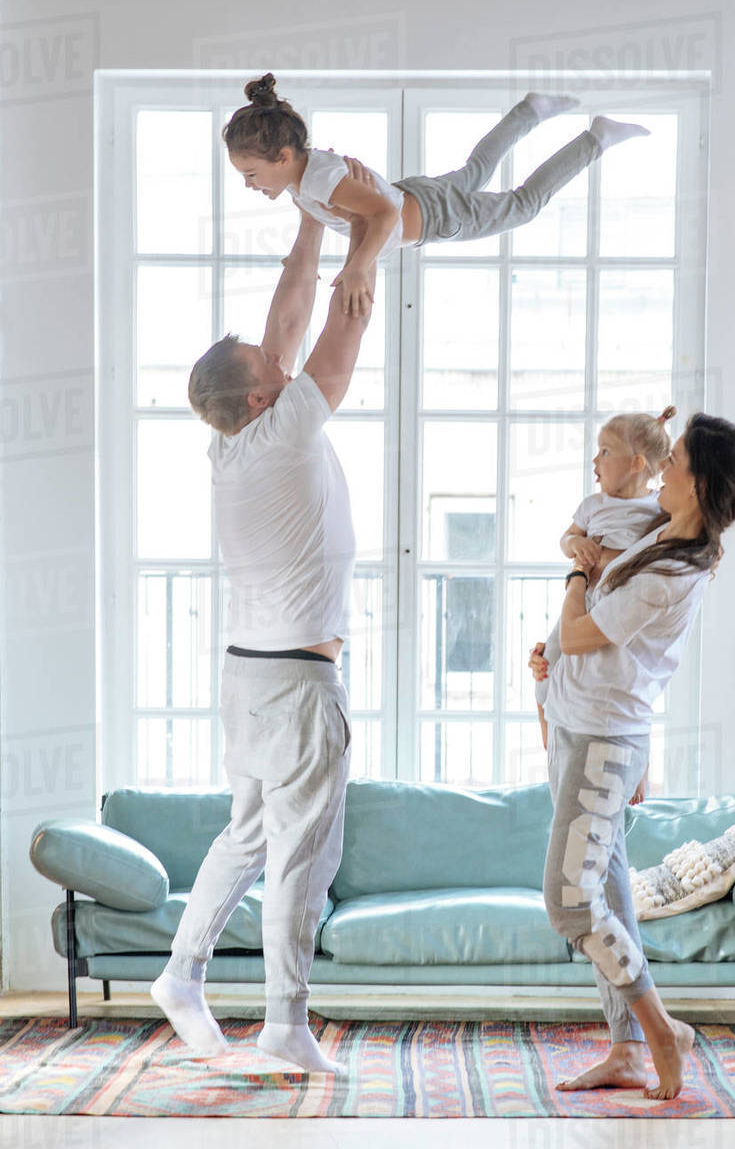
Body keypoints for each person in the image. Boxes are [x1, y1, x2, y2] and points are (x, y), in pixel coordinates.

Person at [150, 166, 378, 1076]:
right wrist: (366, 240)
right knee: (300, 857)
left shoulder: (231, 441)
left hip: (248, 676)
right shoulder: (282, 429)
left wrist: (310, 220)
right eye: (270, 370)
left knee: (245, 834)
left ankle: (181, 973)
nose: (284, 365)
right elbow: (337, 334)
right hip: (293, 684)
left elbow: (284, 324)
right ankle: (285, 1021)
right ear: (257, 399)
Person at [529, 414, 735, 1099]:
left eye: (674, 459)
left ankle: (660, 1029)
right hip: (580, 727)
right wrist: (551, 665)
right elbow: (614, 650)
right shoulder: (662, 536)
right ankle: (627, 1046)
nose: (662, 466)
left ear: (699, 482)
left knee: (569, 905)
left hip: (600, 742)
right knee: (606, 892)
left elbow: (582, 631)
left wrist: (576, 572)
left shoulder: (672, 574)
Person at [222, 72, 649, 316]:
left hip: (433, 217)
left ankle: (595, 139)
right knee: (476, 170)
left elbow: (384, 215)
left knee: (524, 205)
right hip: (419, 197)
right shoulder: (303, 177)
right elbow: (350, 211)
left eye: (251, 174)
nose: (249, 184)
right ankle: (530, 111)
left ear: (283, 156)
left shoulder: (314, 181)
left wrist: (357, 268)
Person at [532, 406, 677, 751]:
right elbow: (566, 539)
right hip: (582, 602)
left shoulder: (658, 510)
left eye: (606, 452)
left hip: (618, 610)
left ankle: (620, 753)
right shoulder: (593, 505)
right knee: (545, 669)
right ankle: (551, 745)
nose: (595, 460)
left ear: (636, 464)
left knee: (612, 684)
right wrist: (576, 545)